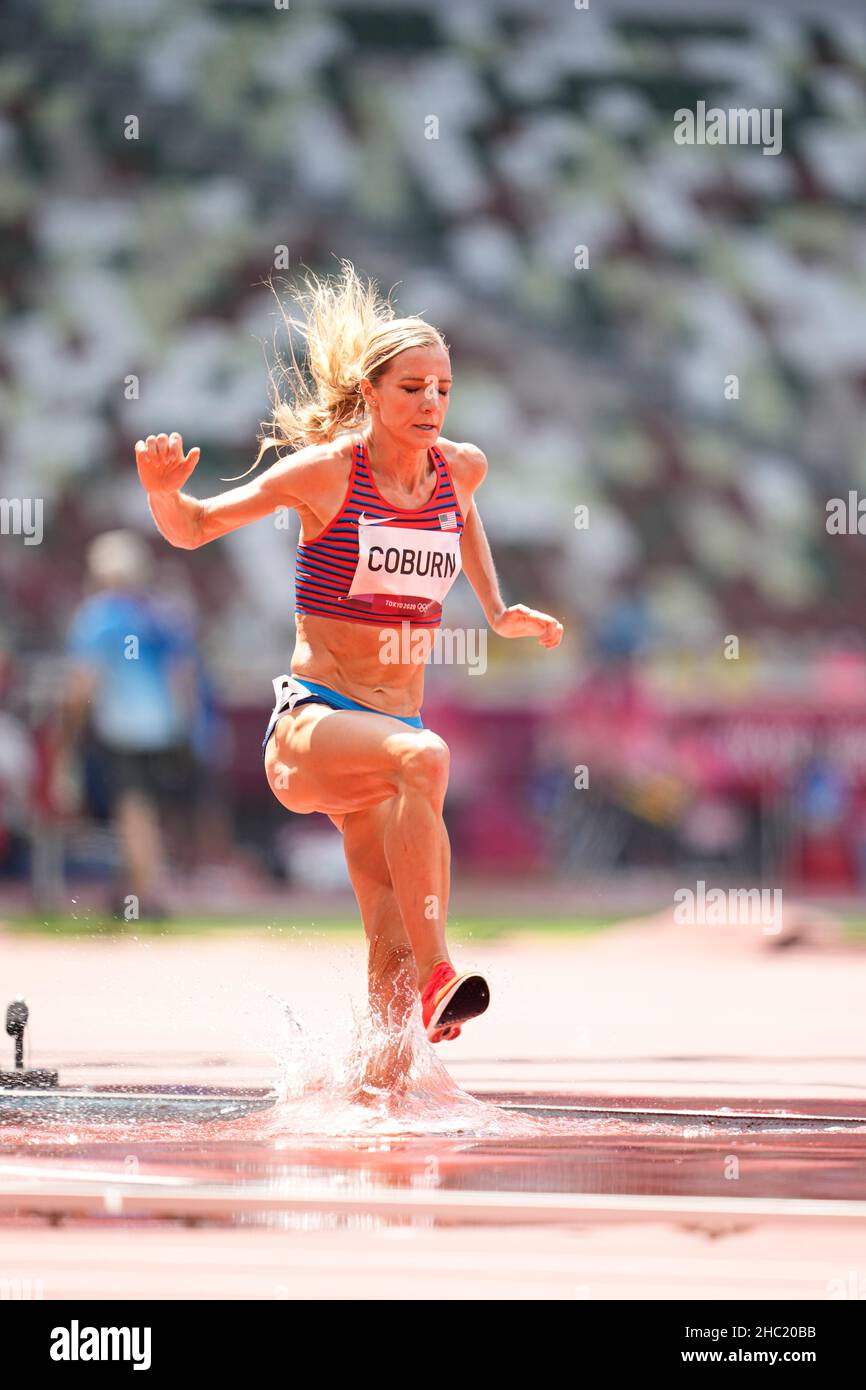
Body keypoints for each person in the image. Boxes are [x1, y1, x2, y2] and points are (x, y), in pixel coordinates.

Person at [135, 261, 563, 1084]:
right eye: (411, 389)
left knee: (388, 944)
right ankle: (448, 972)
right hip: (312, 728)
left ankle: (376, 1092)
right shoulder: (327, 473)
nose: (431, 404)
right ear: (372, 394)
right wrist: (162, 494)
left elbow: (465, 523)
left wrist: (498, 607)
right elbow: (193, 528)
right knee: (427, 757)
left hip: (385, 747)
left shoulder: (459, 469)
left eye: (442, 388)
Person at [61, 530, 201, 920]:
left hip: (123, 730)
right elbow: (183, 675)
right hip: (167, 728)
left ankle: (147, 894)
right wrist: (187, 728)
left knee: (132, 811)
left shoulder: (97, 617)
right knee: (151, 813)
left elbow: (81, 685)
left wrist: (69, 732)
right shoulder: (162, 613)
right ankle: (138, 888)